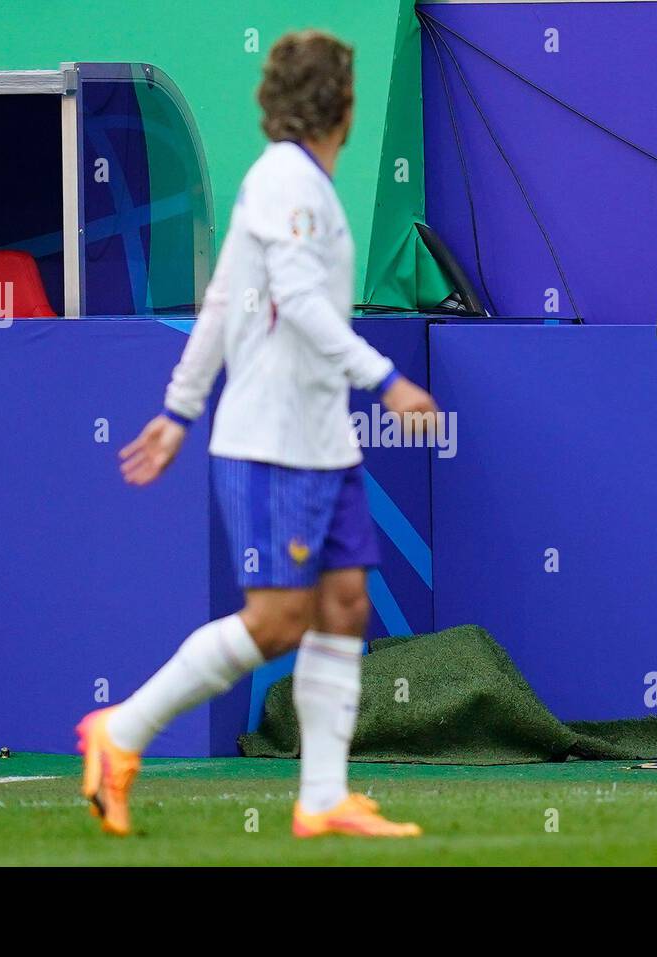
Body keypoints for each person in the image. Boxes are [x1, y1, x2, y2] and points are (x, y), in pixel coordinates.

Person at [78, 30, 438, 837]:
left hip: (322, 442)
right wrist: (386, 378)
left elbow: (220, 303)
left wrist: (176, 411)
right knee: (277, 619)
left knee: (344, 603)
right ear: (339, 104)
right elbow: (303, 307)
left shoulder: (290, 182)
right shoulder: (289, 183)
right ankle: (121, 732)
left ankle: (321, 797)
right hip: (276, 445)